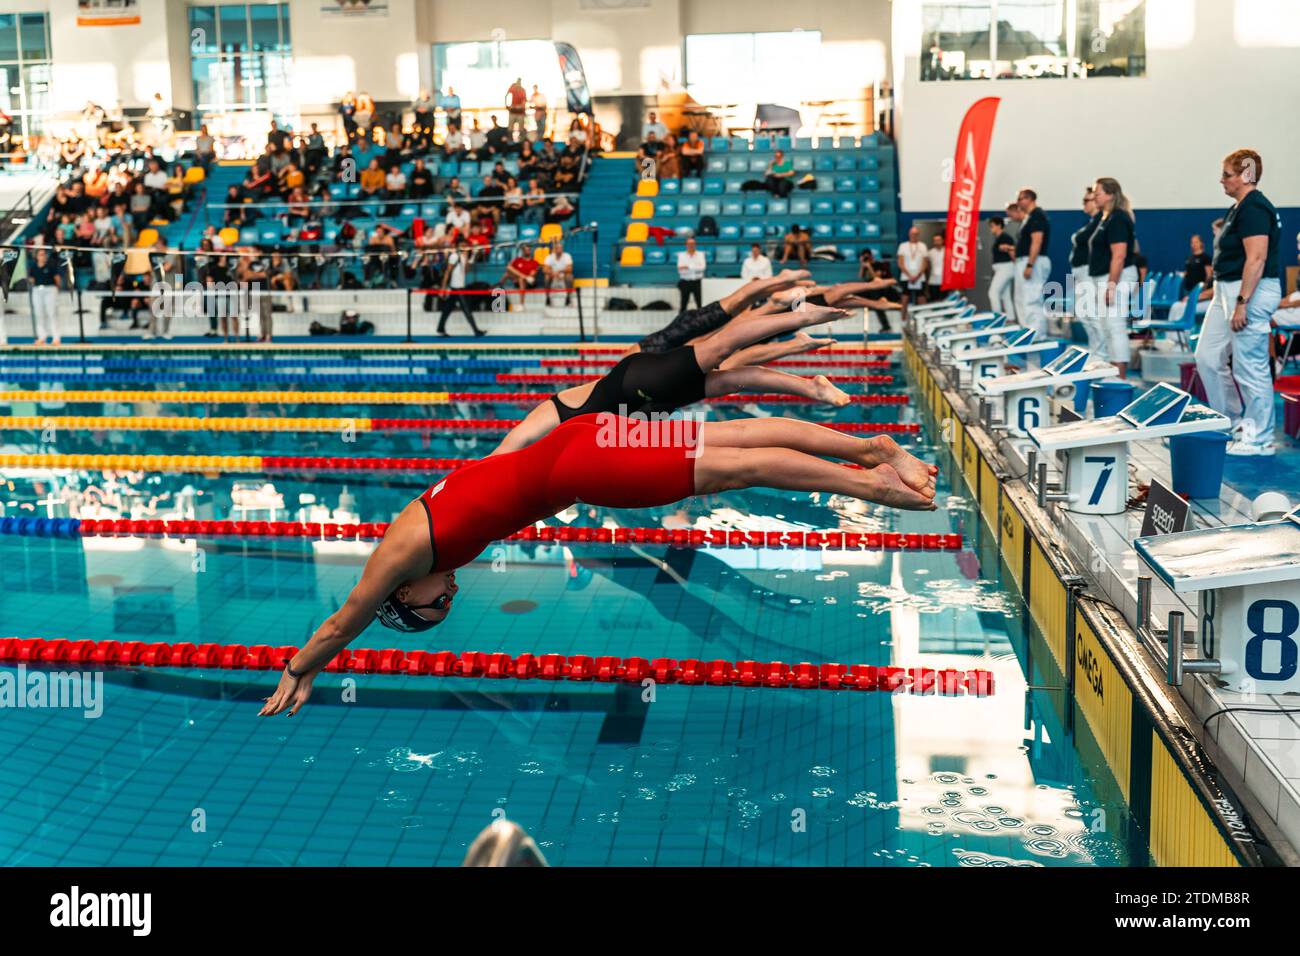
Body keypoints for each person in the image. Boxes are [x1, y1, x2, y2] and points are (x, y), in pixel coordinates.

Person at [257, 411, 938, 714]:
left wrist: (299, 670)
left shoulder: (400, 555)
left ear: (405, 595)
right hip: (576, 441)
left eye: (439, 604)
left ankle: (872, 483)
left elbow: (346, 620)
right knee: (736, 437)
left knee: (739, 466)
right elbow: (502, 469)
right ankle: (869, 448)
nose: (452, 593)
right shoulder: (423, 521)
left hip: (588, 464)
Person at [491, 302, 860, 457]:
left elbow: (510, 445)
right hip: (653, 403)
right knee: (733, 378)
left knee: (719, 346)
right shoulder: (572, 449)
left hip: (636, 381)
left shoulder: (552, 412)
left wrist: (472, 477)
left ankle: (801, 317)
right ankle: (811, 386)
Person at [1194, 148, 1282, 456]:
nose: (1222, 180)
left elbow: (1256, 259)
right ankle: (1229, 421)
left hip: (1248, 291)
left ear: (1245, 175)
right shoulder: (1239, 208)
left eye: (1227, 175)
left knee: (1250, 367)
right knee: (1206, 355)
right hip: (1225, 289)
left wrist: (1243, 302)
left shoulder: (1255, 207)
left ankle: (1260, 438)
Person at [1086, 177, 1139, 376]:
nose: (1093, 197)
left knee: (1115, 326)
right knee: (1106, 327)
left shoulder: (1118, 218)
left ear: (1109, 195)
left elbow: (1119, 255)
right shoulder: (1105, 217)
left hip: (1118, 277)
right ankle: (1112, 372)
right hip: (1106, 277)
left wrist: (1111, 286)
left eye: (1097, 193)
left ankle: (1120, 377)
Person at [1013, 188, 1051, 339]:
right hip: (1024, 260)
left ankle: (1037, 335)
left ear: (1030, 199)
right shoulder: (1029, 217)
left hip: (1034, 261)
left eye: (1020, 199)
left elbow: (1037, 241)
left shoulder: (1037, 216)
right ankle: (1027, 332)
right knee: (1022, 299)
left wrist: (1030, 264)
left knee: (1032, 299)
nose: (1018, 202)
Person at [435, 242, 485, 336]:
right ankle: (476, 331)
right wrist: (443, 288)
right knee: (466, 309)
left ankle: (440, 328)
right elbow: (447, 272)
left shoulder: (463, 256)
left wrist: (472, 256)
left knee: (447, 309)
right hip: (456, 287)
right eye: (462, 246)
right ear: (458, 247)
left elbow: (465, 271)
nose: (464, 248)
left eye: (465, 246)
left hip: (459, 287)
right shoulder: (454, 256)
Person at [1068, 187, 1100, 333]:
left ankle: (1102, 351)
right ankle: (1096, 349)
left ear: (1096, 201)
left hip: (1089, 272)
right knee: (1083, 313)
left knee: (1091, 313)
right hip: (1081, 272)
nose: (1084, 204)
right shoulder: (1091, 223)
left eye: (1086, 200)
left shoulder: (1101, 222)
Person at [28, 246, 62, 346]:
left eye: (44, 255)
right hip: (37, 290)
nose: (42, 257)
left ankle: (56, 338)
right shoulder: (33, 267)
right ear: (37, 256)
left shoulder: (51, 266)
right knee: (39, 314)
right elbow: (32, 279)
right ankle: (41, 337)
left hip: (50, 289)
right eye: (40, 255)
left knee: (52, 313)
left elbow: (57, 279)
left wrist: (56, 289)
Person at [988, 217, 1017, 316]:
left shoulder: (1005, 238)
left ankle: (997, 317)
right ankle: (1010, 317)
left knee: (993, 292)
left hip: (1006, 268)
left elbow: (1013, 252)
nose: (990, 228)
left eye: (992, 226)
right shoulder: (998, 239)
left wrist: (1016, 265)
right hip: (1002, 268)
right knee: (1005, 295)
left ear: (999, 225)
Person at [896, 226, 928, 303]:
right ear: (909, 234)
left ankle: (923, 314)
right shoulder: (903, 246)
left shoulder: (923, 246)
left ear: (919, 235)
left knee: (921, 297)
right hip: (906, 277)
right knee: (905, 298)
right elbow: (900, 263)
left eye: (916, 234)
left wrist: (917, 276)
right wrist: (910, 276)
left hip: (920, 277)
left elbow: (925, 263)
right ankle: (903, 315)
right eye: (912, 234)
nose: (914, 236)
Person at [676, 236, 706, 311]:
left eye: (693, 243)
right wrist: (695, 267)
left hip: (697, 282)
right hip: (685, 282)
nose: (691, 245)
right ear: (686, 245)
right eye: (689, 244)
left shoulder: (700, 254)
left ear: (695, 244)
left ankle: (702, 321)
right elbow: (680, 270)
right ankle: (681, 321)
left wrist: (687, 267)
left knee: (700, 303)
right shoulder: (681, 255)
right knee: (683, 304)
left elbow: (702, 268)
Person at [543, 240, 573, 306]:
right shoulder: (549, 257)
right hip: (553, 278)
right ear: (554, 249)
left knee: (569, 276)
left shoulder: (567, 256)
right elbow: (544, 269)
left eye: (561, 248)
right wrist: (553, 273)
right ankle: (547, 297)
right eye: (557, 248)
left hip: (563, 278)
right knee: (547, 276)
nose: (559, 249)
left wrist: (560, 271)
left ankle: (568, 297)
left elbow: (570, 269)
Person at [926, 232, 946, 303]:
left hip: (945, 281)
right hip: (933, 281)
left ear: (942, 241)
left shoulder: (947, 251)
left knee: (944, 301)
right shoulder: (930, 253)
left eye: (939, 240)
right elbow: (927, 267)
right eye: (935, 240)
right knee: (934, 301)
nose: (937, 242)